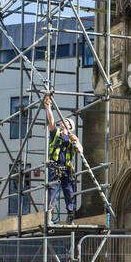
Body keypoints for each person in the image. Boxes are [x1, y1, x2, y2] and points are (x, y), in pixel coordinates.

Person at [44, 94, 83, 224]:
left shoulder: (73, 138)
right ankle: (50, 212)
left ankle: (71, 213)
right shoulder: (55, 133)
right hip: (55, 167)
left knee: (68, 191)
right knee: (52, 190)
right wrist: (48, 106)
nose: (63, 121)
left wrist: (76, 142)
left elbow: (80, 150)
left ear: (70, 127)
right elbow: (50, 120)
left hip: (66, 169)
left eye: (66, 121)